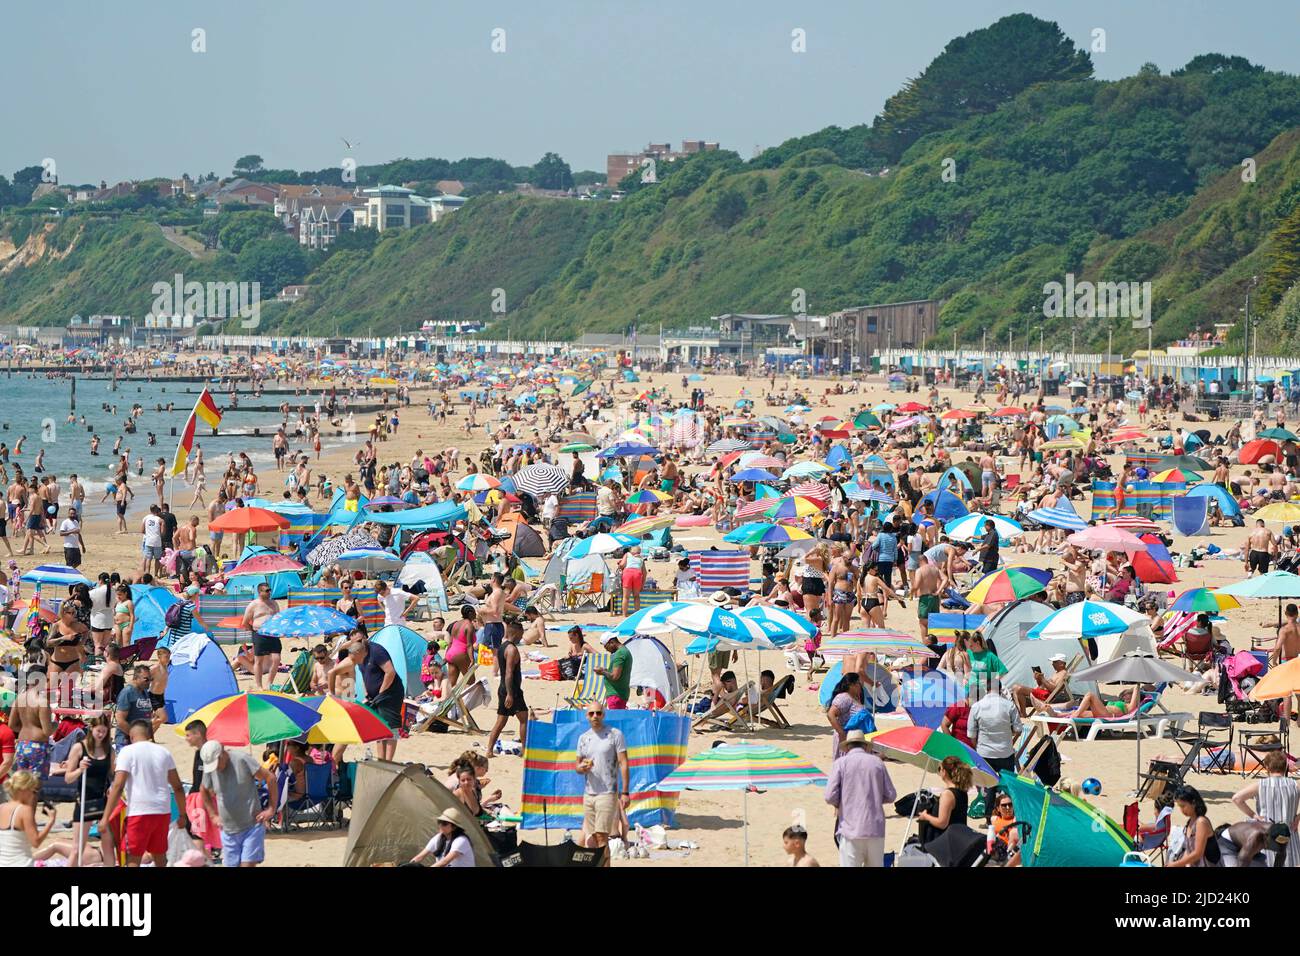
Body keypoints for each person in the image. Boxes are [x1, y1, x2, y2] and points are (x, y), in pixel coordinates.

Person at [100, 719, 187, 867]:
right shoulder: (164, 752)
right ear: (148, 735)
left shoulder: (127, 752)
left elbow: (118, 786)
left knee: (134, 858)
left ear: (131, 736)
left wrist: (105, 817)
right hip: (162, 810)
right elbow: (178, 787)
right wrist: (183, 815)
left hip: (139, 811)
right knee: (160, 857)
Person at [823, 728, 896, 867]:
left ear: (848, 746)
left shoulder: (841, 764)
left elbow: (829, 796)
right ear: (864, 745)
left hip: (851, 829)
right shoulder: (877, 763)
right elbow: (891, 795)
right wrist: (874, 798)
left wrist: (842, 802)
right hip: (875, 829)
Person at [199, 740, 277, 868]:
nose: (216, 767)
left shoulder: (242, 759)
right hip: (228, 830)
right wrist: (213, 815)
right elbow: (203, 789)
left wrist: (271, 809)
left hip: (252, 825)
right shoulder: (210, 768)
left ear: (222, 753)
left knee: (246, 865)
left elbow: (270, 778)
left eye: (216, 763)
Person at [575, 702, 628, 863]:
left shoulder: (614, 735)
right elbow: (577, 765)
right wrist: (582, 767)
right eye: (591, 714)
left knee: (602, 837)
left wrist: (625, 792)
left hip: (607, 792)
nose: (595, 716)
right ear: (587, 716)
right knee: (591, 841)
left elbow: (623, 763)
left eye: (598, 713)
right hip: (589, 793)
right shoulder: (584, 738)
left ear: (603, 715)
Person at [1231, 750, 1299, 867]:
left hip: (1266, 834)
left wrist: (1253, 815)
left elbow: (1237, 798)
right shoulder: (1295, 785)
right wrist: (1298, 817)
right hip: (1288, 835)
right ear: (1285, 767)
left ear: (1267, 767)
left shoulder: (1261, 785)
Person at [63, 715, 116, 867]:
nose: (101, 735)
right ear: (91, 728)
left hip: (103, 801)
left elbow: (113, 775)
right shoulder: (79, 748)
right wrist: (80, 769)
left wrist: (113, 785)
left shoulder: (109, 751)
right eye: (99, 731)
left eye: (105, 732)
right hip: (84, 801)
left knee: (108, 845)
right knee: (78, 847)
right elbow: (68, 778)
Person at [967, 682, 1022, 818]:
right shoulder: (1009, 705)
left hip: (984, 753)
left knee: (988, 786)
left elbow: (971, 735)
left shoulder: (977, 706)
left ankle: (988, 817)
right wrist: (1009, 740)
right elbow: (1018, 729)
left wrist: (977, 748)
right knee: (1007, 785)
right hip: (1005, 752)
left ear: (987, 689)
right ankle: (1009, 815)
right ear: (1001, 689)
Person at [0, 771, 76, 866]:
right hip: (22, 863)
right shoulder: (25, 810)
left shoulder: (2, 807)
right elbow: (36, 842)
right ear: (24, 789)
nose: (34, 795)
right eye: (34, 791)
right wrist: (50, 822)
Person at [347, 634, 403, 761]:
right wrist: (367, 692)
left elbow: (390, 672)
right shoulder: (358, 657)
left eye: (360, 640)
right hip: (374, 695)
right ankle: (381, 760)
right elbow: (365, 675)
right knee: (378, 727)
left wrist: (381, 693)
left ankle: (388, 761)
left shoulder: (377, 651)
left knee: (391, 726)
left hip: (390, 693)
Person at [486, 620, 528, 756]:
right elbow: (509, 673)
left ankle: (489, 750)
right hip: (512, 690)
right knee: (524, 719)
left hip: (503, 688)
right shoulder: (512, 649)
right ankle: (525, 751)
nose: (522, 637)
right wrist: (510, 694)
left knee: (501, 721)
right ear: (515, 633)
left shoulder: (502, 646)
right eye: (521, 634)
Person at [916, 756, 971, 841]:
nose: (939, 771)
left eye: (939, 769)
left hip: (947, 841)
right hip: (959, 838)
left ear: (944, 771)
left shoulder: (948, 794)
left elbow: (942, 823)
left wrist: (926, 816)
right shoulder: (962, 791)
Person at [240, 582, 281, 690]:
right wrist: (254, 631)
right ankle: (259, 685)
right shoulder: (254, 604)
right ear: (260, 592)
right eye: (266, 590)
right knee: (259, 660)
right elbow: (245, 622)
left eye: (269, 590)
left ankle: (269, 683)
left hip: (272, 633)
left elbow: (278, 618)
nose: (269, 592)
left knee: (276, 659)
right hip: (259, 634)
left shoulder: (274, 603)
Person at [1168, 785, 1220, 867]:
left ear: (1193, 803)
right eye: (1180, 807)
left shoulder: (1201, 822)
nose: (1182, 810)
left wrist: (1176, 864)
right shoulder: (1190, 822)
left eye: (1183, 806)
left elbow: (1198, 853)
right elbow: (1188, 851)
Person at [410, 809, 476, 867]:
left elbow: (444, 862)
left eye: (444, 823)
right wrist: (409, 865)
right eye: (439, 822)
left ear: (454, 827)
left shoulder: (461, 840)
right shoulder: (438, 838)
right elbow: (420, 857)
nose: (440, 825)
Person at [113, 664, 156, 751]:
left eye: (151, 679)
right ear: (136, 678)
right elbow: (120, 721)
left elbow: (148, 719)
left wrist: (151, 739)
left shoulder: (145, 692)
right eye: (146, 679)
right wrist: (136, 736)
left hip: (142, 742)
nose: (149, 682)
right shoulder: (127, 693)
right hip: (126, 741)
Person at [594, 633, 632, 709]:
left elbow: (615, 676)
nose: (606, 649)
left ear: (611, 642)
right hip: (619, 695)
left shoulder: (620, 654)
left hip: (616, 695)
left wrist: (602, 672)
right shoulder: (625, 651)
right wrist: (605, 671)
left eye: (606, 646)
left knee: (615, 720)